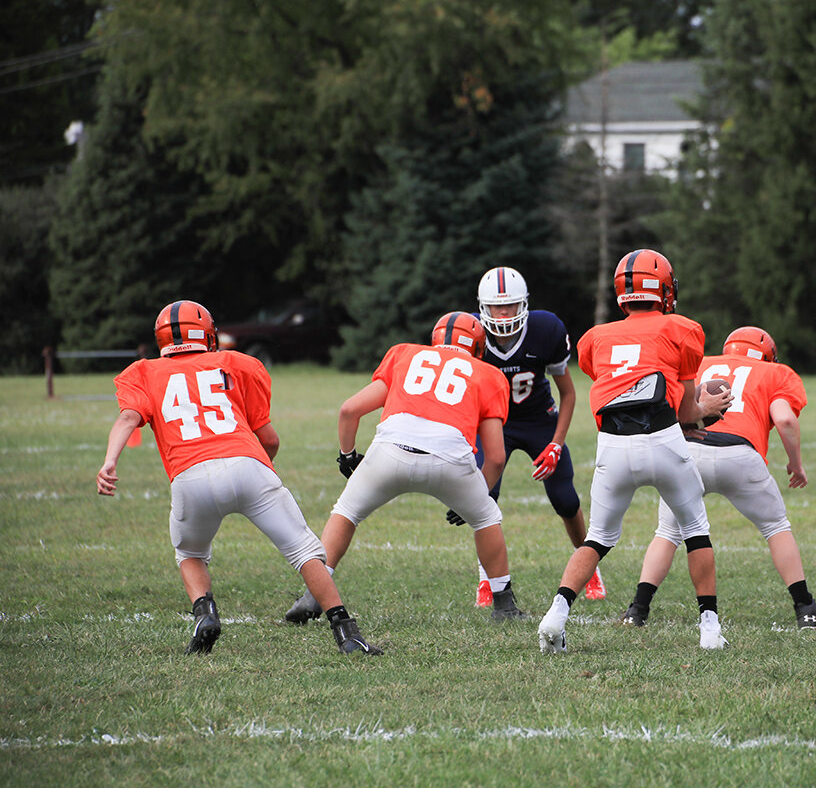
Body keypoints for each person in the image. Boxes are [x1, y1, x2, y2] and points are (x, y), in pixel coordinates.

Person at [96, 300, 380, 655]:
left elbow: (127, 419)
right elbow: (270, 439)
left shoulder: (143, 372)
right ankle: (346, 633)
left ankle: (205, 613)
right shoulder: (237, 364)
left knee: (189, 552)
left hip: (189, 475)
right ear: (208, 333)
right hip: (248, 466)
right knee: (305, 551)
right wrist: (262, 472)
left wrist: (110, 461)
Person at [537, 249, 732, 653]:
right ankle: (709, 630)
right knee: (695, 530)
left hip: (613, 448)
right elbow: (684, 411)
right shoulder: (683, 328)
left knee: (597, 538)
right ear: (663, 290)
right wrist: (707, 411)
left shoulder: (594, 338)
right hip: (663, 439)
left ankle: (555, 614)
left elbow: (618, 384)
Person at [283, 312, 529, 624]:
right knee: (486, 519)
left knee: (346, 512)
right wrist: (478, 495)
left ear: (435, 339)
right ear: (479, 349)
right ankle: (504, 605)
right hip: (450, 458)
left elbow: (349, 410)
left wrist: (348, 455)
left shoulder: (404, 354)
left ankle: (313, 595)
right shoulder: (489, 374)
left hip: (391, 451)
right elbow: (495, 457)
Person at [619, 326, 816, 630]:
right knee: (776, 526)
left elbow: (669, 404)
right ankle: (805, 608)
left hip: (690, 449)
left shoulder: (701, 364)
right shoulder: (776, 372)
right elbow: (785, 419)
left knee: (668, 532)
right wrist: (796, 464)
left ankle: (638, 610)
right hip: (738, 455)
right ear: (768, 356)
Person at [449, 267, 604, 608]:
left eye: (511, 306)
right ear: (481, 308)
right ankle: (488, 580)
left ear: (525, 304)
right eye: (496, 308)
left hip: (538, 420)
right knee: (483, 499)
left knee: (565, 498)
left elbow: (568, 393)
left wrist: (556, 443)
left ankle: (588, 567)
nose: (503, 315)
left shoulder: (546, 329)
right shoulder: (470, 334)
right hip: (493, 423)